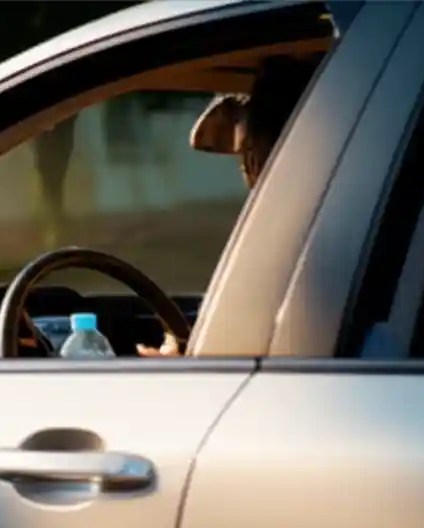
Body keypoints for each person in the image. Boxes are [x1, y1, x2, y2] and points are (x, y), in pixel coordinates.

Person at [136, 55, 319, 357]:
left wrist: (170, 365)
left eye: (246, 150)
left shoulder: (298, 248)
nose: (244, 167)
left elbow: (235, 362)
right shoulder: (356, 223)